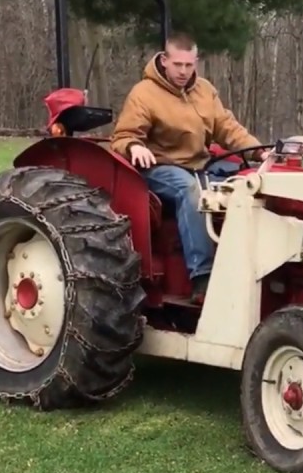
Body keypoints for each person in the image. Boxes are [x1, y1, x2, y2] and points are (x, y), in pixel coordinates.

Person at [110, 32, 265, 303]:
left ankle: (251, 264)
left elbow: (227, 128)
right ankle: (202, 279)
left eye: (189, 65)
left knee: (249, 182)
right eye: (177, 65)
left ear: (196, 62)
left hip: (200, 164)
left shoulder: (204, 91)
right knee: (191, 191)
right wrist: (135, 146)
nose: (183, 72)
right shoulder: (144, 93)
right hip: (159, 167)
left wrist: (259, 151)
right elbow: (123, 136)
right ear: (165, 61)